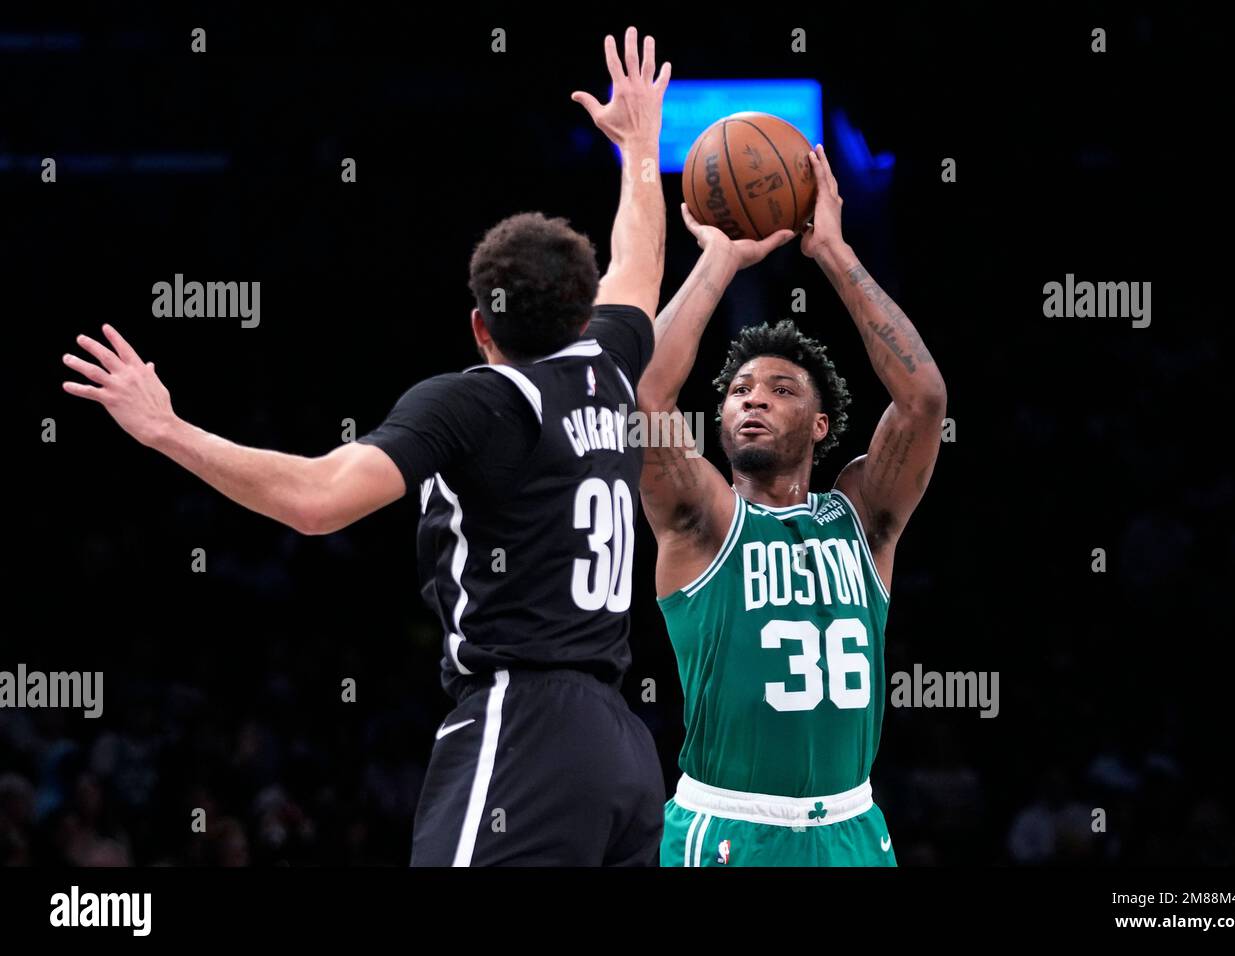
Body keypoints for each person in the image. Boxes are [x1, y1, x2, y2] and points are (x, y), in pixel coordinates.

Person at [61, 26, 671, 867]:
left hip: (523, 727)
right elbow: (641, 263)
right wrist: (641, 145)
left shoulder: (476, 400)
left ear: (478, 326)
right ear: (581, 311)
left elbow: (316, 501)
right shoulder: (609, 363)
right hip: (626, 746)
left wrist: (168, 429)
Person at [638, 145, 946, 865]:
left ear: (819, 425)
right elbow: (644, 394)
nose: (752, 398)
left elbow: (924, 398)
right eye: (740, 390)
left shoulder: (862, 518)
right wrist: (719, 258)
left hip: (853, 825)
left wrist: (834, 254)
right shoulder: (705, 521)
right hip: (729, 828)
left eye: (780, 389)